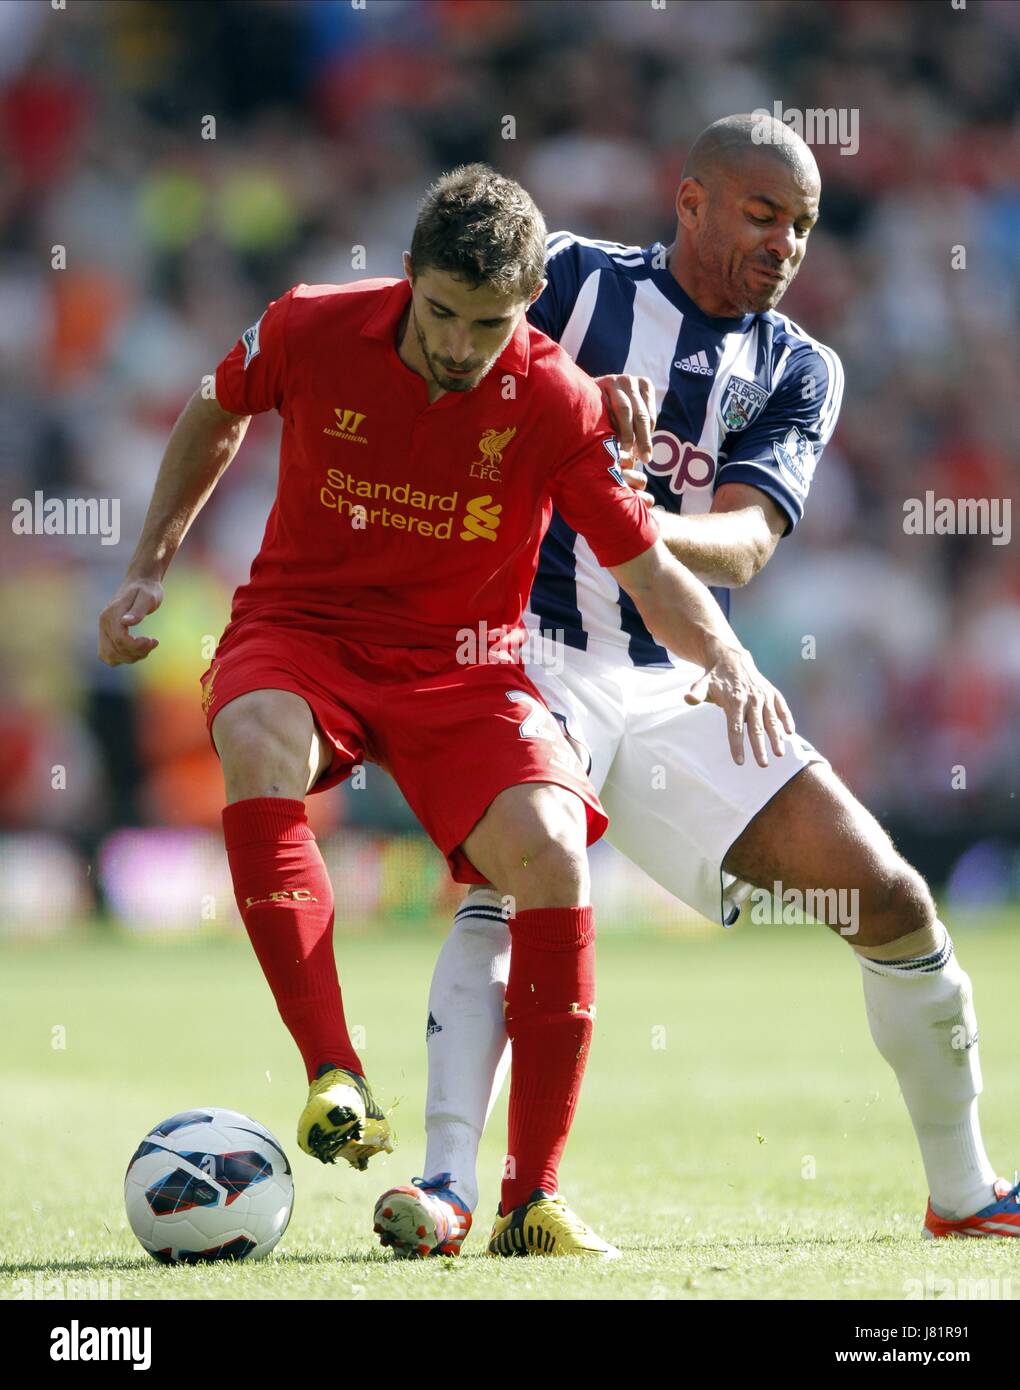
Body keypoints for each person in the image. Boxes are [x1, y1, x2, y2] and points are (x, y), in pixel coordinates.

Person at [98, 163, 792, 1259]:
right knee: (255, 733)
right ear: (408, 274)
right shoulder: (312, 324)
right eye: (444, 314)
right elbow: (213, 407)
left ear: (526, 309)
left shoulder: (557, 396)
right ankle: (332, 1068)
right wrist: (149, 566)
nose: (464, 345)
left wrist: (730, 658)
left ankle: (531, 1202)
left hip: (464, 668)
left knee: (555, 857)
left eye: (492, 323)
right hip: (304, 628)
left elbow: (645, 563)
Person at [374, 116, 1018, 1258]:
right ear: (690, 202)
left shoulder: (801, 367)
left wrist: (630, 514)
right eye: (763, 215)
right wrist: (560, 408)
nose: (785, 245)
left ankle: (964, 1191)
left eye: (805, 228)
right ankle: (446, 1187)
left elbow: (749, 541)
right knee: (511, 884)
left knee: (894, 903)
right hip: (524, 644)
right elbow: (443, 368)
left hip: (675, 669)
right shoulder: (565, 276)